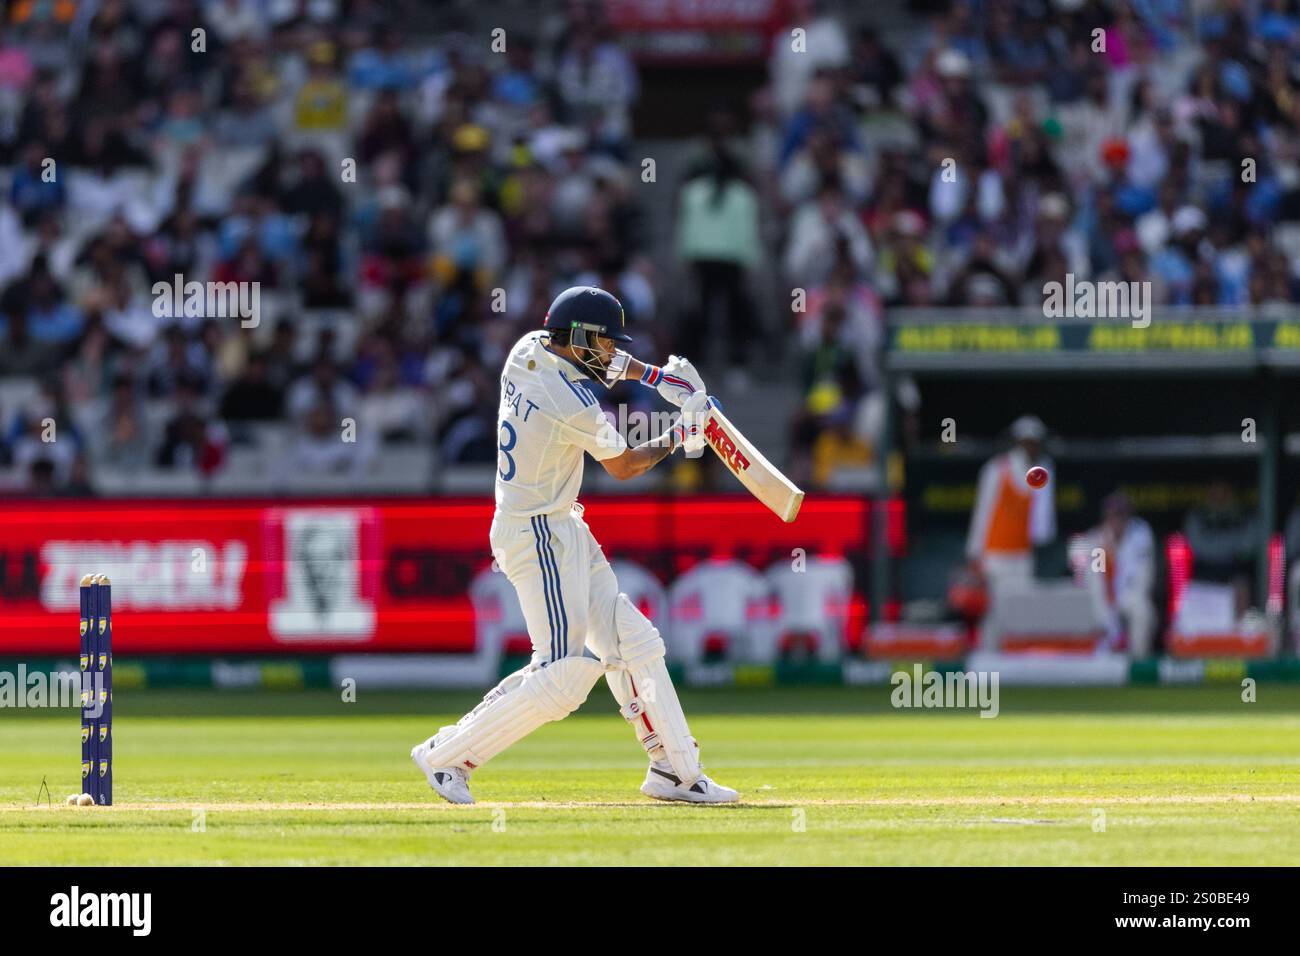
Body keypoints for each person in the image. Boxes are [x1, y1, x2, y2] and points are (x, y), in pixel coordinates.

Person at [411, 286, 737, 805]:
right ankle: (446, 756)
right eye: (604, 343)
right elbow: (625, 466)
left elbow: (604, 363)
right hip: (537, 532)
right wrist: (681, 429)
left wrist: (656, 377)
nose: (610, 354)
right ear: (582, 338)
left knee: (635, 643)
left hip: (558, 525)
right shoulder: (570, 399)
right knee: (561, 675)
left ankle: (676, 773)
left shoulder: (529, 349)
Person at [965, 415, 1056, 643]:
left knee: (1019, 613)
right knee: (995, 612)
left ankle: (1013, 665)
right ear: (1018, 442)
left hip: (1022, 555)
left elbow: (1043, 529)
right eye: (1027, 442)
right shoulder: (996, 469)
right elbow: (982, 513)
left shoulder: (1041, 472)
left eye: (1035, 442)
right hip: (995, 554)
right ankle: (986, 661)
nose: (1032, 447)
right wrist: (975, 555)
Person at [1081, 493, 1156, 656]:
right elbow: (1095, 583)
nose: (1117, 520)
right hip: (1104, 599)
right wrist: (1109, 614)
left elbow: (1144, 578)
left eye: (1121, 515)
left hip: (1129, 594)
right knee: (1099, 617)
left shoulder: (1140, 535)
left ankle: (1138, 660)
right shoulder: (1097, 540)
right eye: (1113, 515)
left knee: (1142, 611)